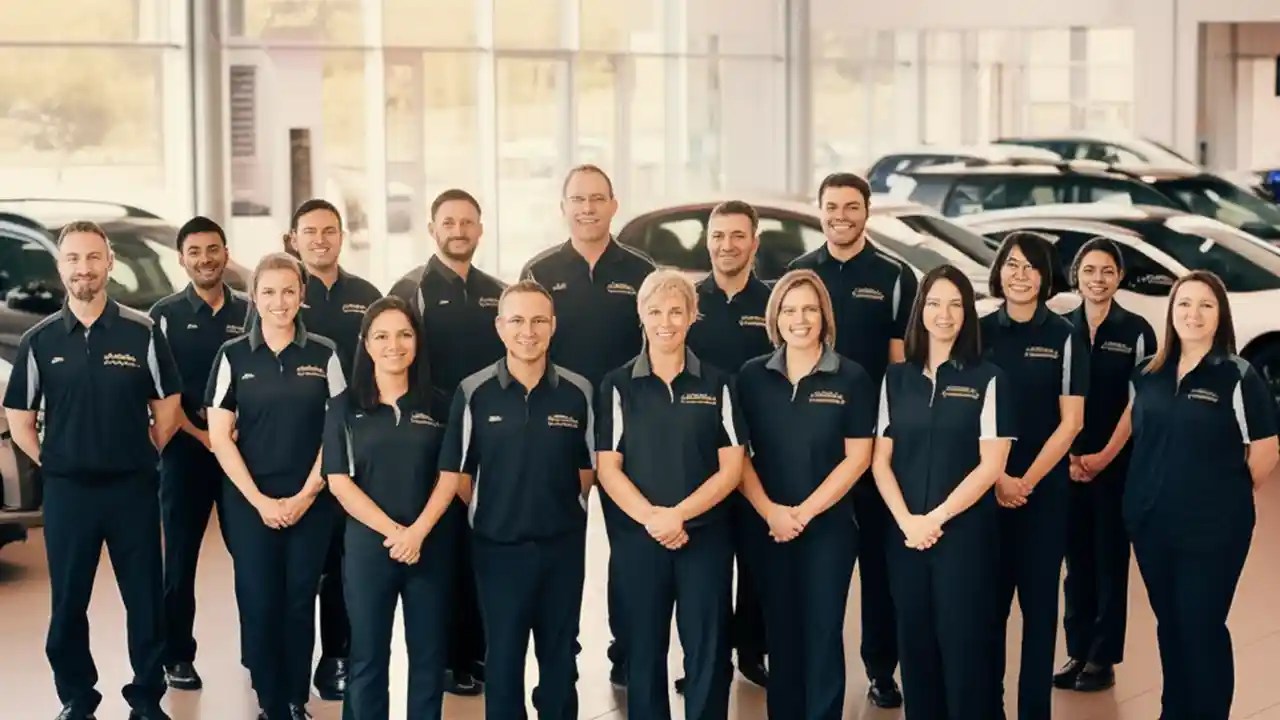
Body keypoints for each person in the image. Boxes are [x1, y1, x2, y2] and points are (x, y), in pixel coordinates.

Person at [3, 221, 183, 720]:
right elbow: (19, 418)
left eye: (92, 258)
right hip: (69, 495)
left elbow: (168, 407)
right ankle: (77, 698)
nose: (84, 268)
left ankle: (147, 697)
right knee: (68, 605)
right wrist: (53, 461)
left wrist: (141, 450)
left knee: (145, 600)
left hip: (133, 489)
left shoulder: (141, 331)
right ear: (61, 269)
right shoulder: (40, 341)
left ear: (108, 263)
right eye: (73, 260)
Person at [521, 164, 656, 685]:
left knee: (631, 545)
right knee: (561, 544)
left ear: (614, 205)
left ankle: (627, 651)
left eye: (597, 198)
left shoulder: (641, 269)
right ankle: (561, 650)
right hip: (561, 427)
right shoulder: (539, 269)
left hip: (629, 430)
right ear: (563, 208)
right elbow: (525, 343)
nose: (587, 208)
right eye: (577, 199)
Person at [1122, 271, 1278, 719]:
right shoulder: (1146, 373)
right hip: (1151, 523)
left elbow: (1264, 455)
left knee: (1201, 626)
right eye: (1184, 304)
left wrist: (1220, 492)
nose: (1193, 314)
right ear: (1171, 312)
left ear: (1220, 315)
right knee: (1170, 625)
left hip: (1214, 528)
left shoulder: (1238, 376)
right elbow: (1144, 439)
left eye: (1205, 305)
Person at [787, 172, 916, 708]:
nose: (840, 215)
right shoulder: (797, 273)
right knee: (810, 560)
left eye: (851, 206)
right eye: (831, 206)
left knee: (880, 564)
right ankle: (798, 661)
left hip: (875, 443)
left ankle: (881, 667)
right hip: (814, 445)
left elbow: (899, 365)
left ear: (867, 212)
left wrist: (892, 438)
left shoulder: (895, 275)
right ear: (818, 211)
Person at [438, 280, 596, 719]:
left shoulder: (578, 391)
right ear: (500, 327)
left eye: (539, 320)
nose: (529, 331)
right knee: (504, 658)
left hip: (563, 548)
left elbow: (588, 473)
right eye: (518, 321)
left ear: (553, 326)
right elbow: (460, 476)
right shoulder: (474, 392)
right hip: (497, 549)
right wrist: (497, 510)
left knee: (560, 657)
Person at [597, 270, 747, 720]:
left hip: (706, 540)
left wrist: (678, 515)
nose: (666, 321)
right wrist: (654, 520)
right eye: (656, 311)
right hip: (640, 542)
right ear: (641, 315)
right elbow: (608, 467)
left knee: (709, 649)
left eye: (676, 311)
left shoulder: (718, 384)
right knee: (643, 651)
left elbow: (733, 467)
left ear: (692, 316)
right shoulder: (617, 385)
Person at [205, 252, 347, 720]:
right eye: (268, 292)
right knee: (260, 598)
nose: (279, 301)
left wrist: (307, 495)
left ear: (302, 295)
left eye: (289, 291)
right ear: (254, 297)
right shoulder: (233, 356)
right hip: (250, 501)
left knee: (299, 598)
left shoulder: (324, 354)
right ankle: (269, 701)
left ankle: (294, 698)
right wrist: (261, 501)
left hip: (313, 499)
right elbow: (221, 437)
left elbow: (337, 432)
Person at [872, 265, 1015, 719]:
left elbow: (991, 466)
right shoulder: (896, 379)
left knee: (965, 650)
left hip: (964, 539)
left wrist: (935, 520)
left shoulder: (989, 379)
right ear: (920, 312)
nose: (944, 313)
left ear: (968, 313)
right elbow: (880, 461)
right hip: (906, 537)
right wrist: (907, 522)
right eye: (934, 303)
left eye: (955, 304)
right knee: (916, 651)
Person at [735, 269, 876, 720]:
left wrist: (804, 513)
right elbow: (739, 457)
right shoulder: (752, 377)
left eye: (810, 309)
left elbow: (858, 459)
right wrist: (772, 513)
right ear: (775, 318)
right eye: (790, 310)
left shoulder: (851, 377)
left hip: (829, 530)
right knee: (782, 635)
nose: (800, 319)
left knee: (821, 634)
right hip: (769, 528)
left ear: (824, 316)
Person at [389, 188, 506, 695]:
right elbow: (395, 359)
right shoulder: (411, 288)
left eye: (468, 223)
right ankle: (443, 659)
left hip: (490, 434)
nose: (459, 231)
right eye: (449, 222)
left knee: (482, 544)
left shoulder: (497, 291)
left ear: (480, 230)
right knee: (441, 548)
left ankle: (477, 653)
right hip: (433, 435)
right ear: (432, 230)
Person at [322, 296, 459, 720]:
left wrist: (416, 533)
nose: (393, 345)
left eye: (403, 334)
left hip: (430, 546)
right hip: (368, 548)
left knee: (429, 658)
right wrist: (394, 533)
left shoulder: (440, 404)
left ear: (417, 340)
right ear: (366, 343)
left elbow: (450, 477)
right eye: (381, 335)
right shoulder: (344, 406)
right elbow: (340, 482)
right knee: (366, 656)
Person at [979, 232, 1088, 720]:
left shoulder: (1065, 336)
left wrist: (1025, 481)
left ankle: (1033, 711)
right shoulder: (978, 332)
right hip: (985, 487)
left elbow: (1072, 423)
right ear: (999, 271)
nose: (1019, 276)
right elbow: (969, 413)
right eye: (1011, 265)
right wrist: (998, 478)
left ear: (1047, 276)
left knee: (1040, 611)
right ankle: (989, 707)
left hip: (1042, 494)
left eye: (1030, 267)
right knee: (989, 609)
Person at [285, 199, 384, 701]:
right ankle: (278, 665)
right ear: (293, 239)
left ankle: (338, 658)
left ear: (342, 236)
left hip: (352, 450)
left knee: (345, 565)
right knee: (302, 567)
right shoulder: (280, 294)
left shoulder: (366, 296)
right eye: (309, 232)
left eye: (329, 230)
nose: (320, 239)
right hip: (291, 456)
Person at [147, 216, 250, 692]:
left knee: (251, 557)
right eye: (195, 251)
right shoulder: (163, 315)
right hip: (185, 453)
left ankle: (259, 652)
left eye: (213, 249)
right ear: (182, 258)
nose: (205, 259)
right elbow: (161, 394)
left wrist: (226, 438)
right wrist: (201, 433)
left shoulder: (250, 311)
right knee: (180, 560)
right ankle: (177, 657)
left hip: (242, 457)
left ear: (226, 254)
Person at [1054, 238, 1156, 693]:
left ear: (1120, 277)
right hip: (1066, 465)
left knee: (1110, 561)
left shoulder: (1137, 331)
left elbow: (1138, 405)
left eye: (1107, 271)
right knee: (1076, 563)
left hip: (1115, 466)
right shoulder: (1059, 327)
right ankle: (1077, 651)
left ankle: (1103, 657)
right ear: (1077, 275)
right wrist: (1070, 458)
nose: (1098, 279)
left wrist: (1102, 457)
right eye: (1090, 270)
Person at [683, 200, 772, 691]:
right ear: (708, 241)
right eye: (718, 236)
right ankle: (706, 658)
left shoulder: (773, 303)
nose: (727, 245)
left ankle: (752, 650)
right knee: (708, 566)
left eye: (738, 236)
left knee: (756, 560)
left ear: (754, 242)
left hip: (763, 453)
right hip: (702, 457)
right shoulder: (690, 304)